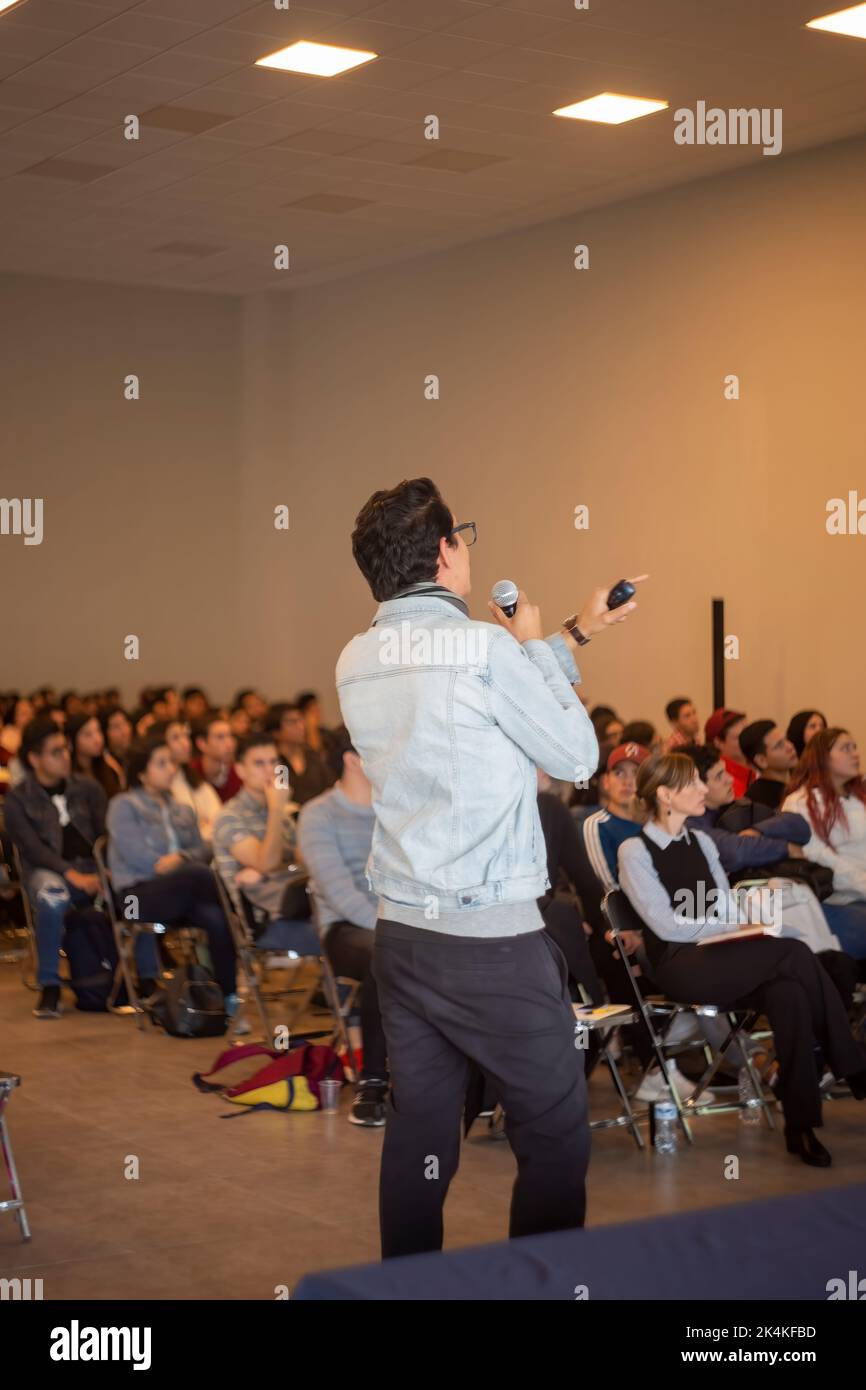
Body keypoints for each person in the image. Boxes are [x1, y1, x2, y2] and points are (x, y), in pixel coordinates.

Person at [337, 476, 644, 1258]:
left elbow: (472, 710)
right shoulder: (481, 648)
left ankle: (405, 1288)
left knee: (422, 1130)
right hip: (492, 943)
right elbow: (575, 754)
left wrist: (568, 635)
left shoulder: (357, 659)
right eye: (462, 534)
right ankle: (535, 1288)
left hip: (403, 937)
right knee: (553, 1127)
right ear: (444, 551)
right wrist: (531, 646)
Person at [618, 752, 866, 1167]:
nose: (703, 789)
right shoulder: (635, 850)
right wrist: (725, 927)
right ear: (664, 794)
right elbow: (665, 926)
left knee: (789, 992)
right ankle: (852, 1064)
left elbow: (726, 907)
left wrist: (742, 923)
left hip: (722, 956)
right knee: (793, 953)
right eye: (694, 783)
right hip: (681, 965)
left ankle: (800, 1126)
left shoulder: (701, 842)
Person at [5, 718, 158, 1017]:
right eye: (55, 752)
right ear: (34, 759)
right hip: (49, 871)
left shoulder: (87, 788)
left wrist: (109, 868)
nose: (65, 757)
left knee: (136, 894)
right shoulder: (18, 800)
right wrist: (73, 875)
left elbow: (106, 833)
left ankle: (148, 980)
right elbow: (34, 851)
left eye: (65, 749)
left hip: (95, 866)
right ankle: (49, 986)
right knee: (53, 898)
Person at [297, 730, 389, 1125]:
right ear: (353, 759)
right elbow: (338, 892)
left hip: (399, 920)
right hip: (346, 929)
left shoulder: (395, 807)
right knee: (382, 957)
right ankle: (373, 1081)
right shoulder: (318, 814)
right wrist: (390, 928)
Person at [106, 735, 237, 1005]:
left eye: (171, 763)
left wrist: (181, 857)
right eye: (161, 764)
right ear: (141, 773)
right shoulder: (123, 806)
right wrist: (183, 865)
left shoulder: (182, 809)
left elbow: (204, 849)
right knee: (199, 875)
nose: (172, 769)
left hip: (183, 892)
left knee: (216, 918)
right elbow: (141, 859)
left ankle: (226, 997)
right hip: (136, 897)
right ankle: (244, 911)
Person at [211, 732, 317, 953]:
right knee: (337, 938)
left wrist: (280, 868)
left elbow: (308, 861)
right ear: (240, 770)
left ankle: (341, 988)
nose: (270, 771)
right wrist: (277, 808)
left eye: (273, 762)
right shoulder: (229, 817)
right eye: (259, 763)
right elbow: (267, 862)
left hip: (301, 908)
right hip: (266, 923)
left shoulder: (284, 817)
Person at [782, 728, 866, 960]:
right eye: (845, 748)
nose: (855, 754)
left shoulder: (859, 797)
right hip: (836, 900)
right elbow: (819, 858)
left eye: (855, 747)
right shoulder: (801, 802)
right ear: (822, 757)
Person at [150, 719, 222, 842]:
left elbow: (220, 822)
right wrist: (200, 826)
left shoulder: (194, 780)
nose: (185, 743)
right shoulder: (154, 787)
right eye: (176, 738)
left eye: (185, 736)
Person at [265, 702, 335, 806]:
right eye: (292, 722)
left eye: (301, 720)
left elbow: (331, 786)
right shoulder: (274, 763)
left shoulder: (311, 756)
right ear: (275, 732)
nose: (301, 726)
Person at [739, 720, 797, 811]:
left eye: (786, 739)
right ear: (761, 761)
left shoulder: (798, 779)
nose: (790, 746)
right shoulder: (761, 803)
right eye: (779, 745)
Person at [67, 712, 124, 801]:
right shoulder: (69, 776)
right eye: (88, 734)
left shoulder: (108, 767)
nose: (97, 739)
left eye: (98, 731)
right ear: (71, 741)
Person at [190, 714, 241, 804]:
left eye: (231, 736)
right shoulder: (190, 774)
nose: (229, 744)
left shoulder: (240, 773)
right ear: (201, 743)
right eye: (220, 737)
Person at [705, 708, 753, 798]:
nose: (749, 740)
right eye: (741, 737)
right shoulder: (724, 785)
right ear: (718, 743)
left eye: (749, 733)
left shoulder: (757, 767)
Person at [100, 705, 132, 786]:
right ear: (105, 733)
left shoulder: (135, 753)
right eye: (116, 726)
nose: (124, 731)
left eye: (125, 723)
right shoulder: (104, 763)